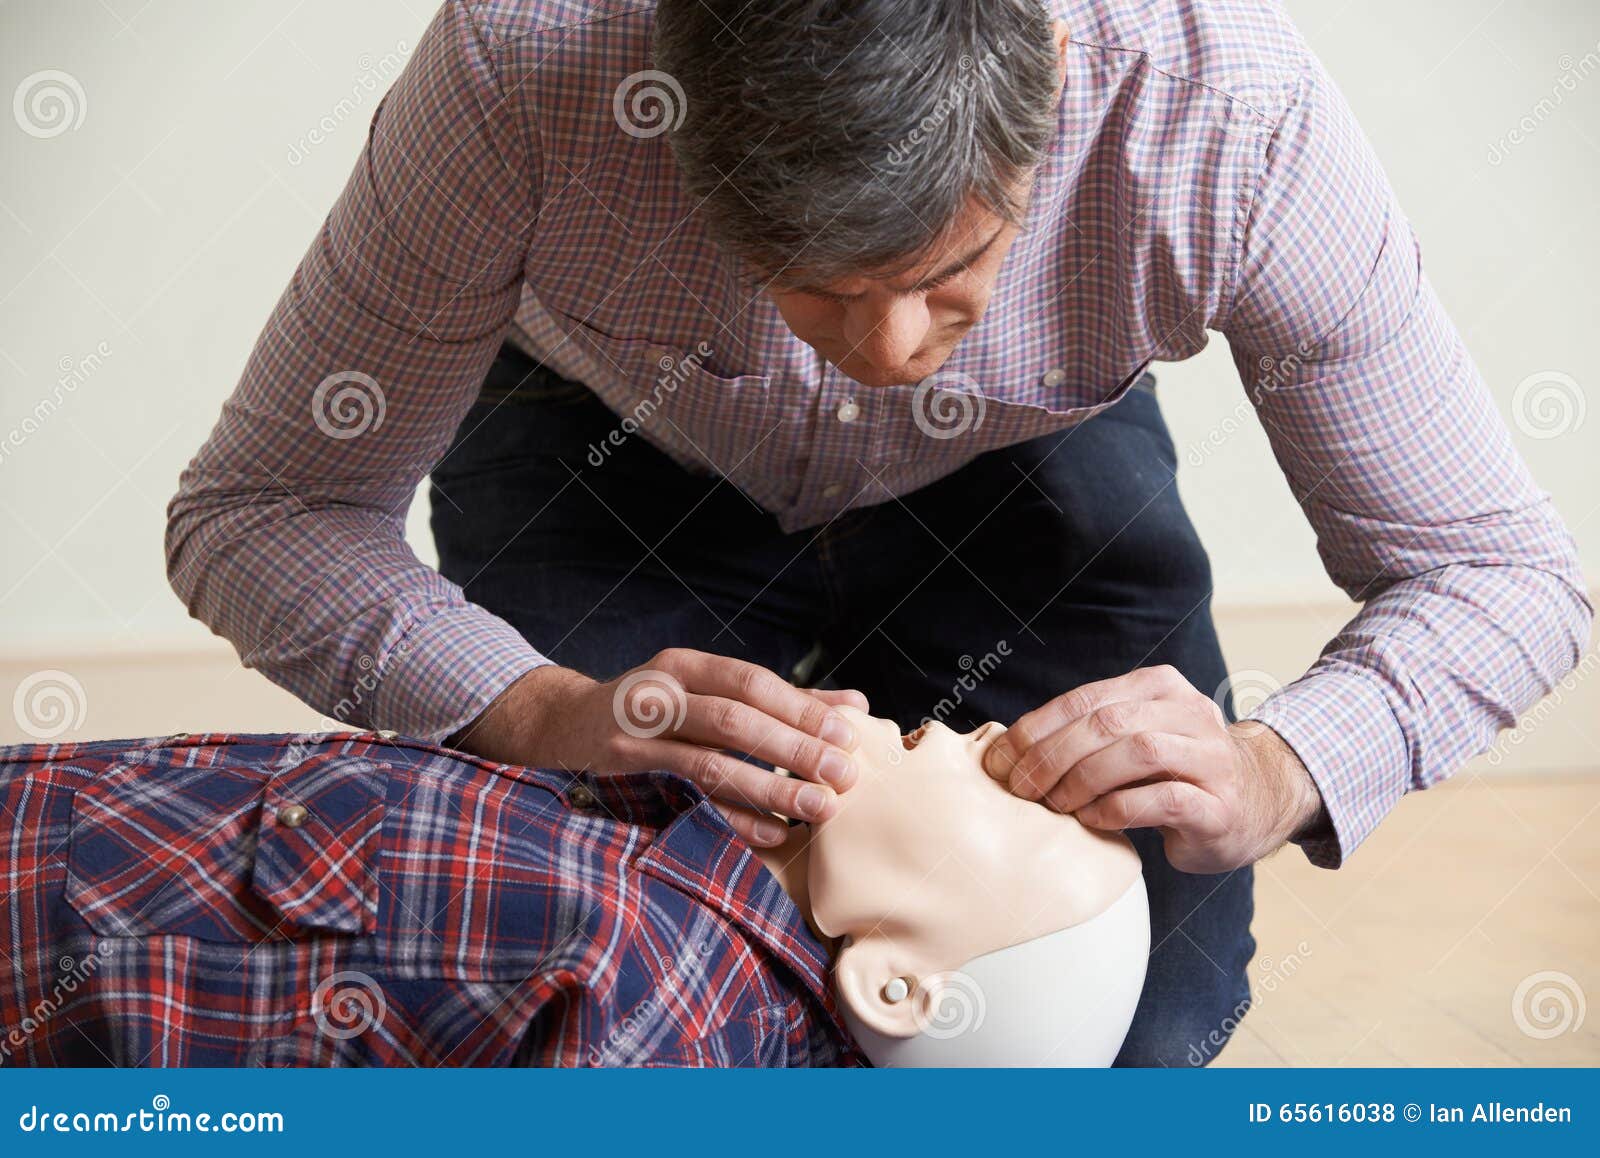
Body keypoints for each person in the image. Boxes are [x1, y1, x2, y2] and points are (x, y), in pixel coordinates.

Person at [164, 0, 1591, 1065]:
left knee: (1137, 1024)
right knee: (611, 985)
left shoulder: (1224, 113)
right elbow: (263, 508)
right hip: (601, 451)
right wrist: (537, 708)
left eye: (953, 274)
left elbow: (1502, 573)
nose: (887, 352)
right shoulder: (521, 68)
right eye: (810, 284)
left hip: (1033, 471)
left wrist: (1279, 770)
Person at [0, 708, 1144, 1068]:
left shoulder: (658, 1025)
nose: (972, 728)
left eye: (1012, 800)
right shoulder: (671, 822)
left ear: (894, 978)